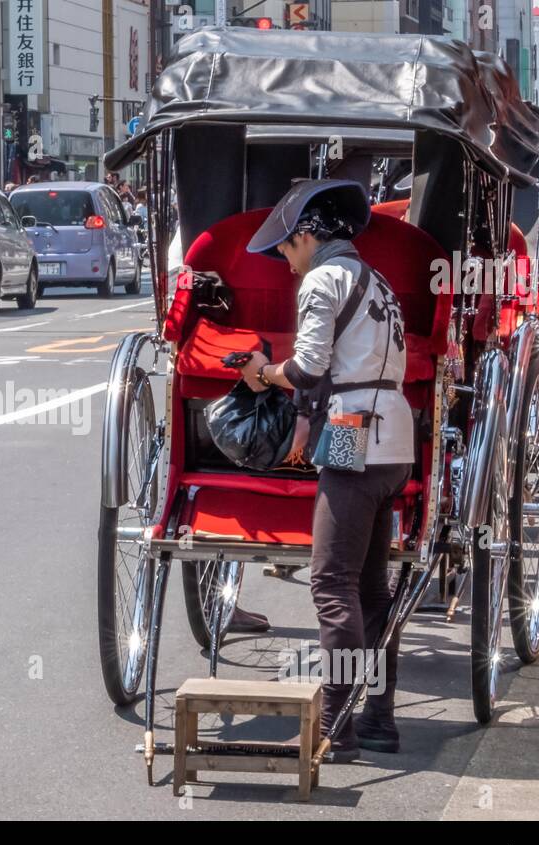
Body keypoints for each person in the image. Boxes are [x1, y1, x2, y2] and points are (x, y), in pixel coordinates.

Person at [241, 179, 412, 762]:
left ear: (308, 236)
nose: (287, 264)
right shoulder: (378, 282)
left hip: (351, 430)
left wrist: (264, 372)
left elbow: (310, 369)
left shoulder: (324, 278)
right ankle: (379, 719)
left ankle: (336, 723)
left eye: (287, 249)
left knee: (330, 582)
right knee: (369, 588)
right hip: (393, 435)